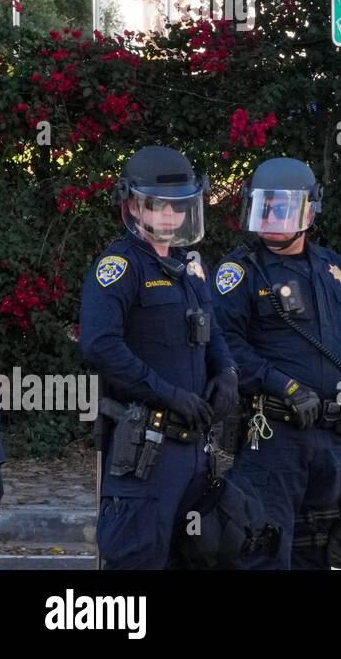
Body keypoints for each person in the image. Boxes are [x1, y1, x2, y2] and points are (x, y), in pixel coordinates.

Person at [213, 157, 341, 569]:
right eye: (264, 206)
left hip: (330, 440)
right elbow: (224, 345)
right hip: (274, 437)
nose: (272, 216)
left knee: (319, 551)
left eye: (283, 207)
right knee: (266, 550)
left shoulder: (333, 268)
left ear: (308, 211)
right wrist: (281, 385)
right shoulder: (239, 272)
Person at [79, 146, 238, 569]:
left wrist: (227, 371)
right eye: (160, 207)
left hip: (193, 452)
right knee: (138, 560)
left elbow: (212, 327)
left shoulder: (188, 267)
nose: (170, 217)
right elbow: (99, 344)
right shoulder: (119, 266)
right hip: (144, 454)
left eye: (180, 208)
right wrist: (166, 394)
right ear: (133, 205)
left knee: (196, 559)